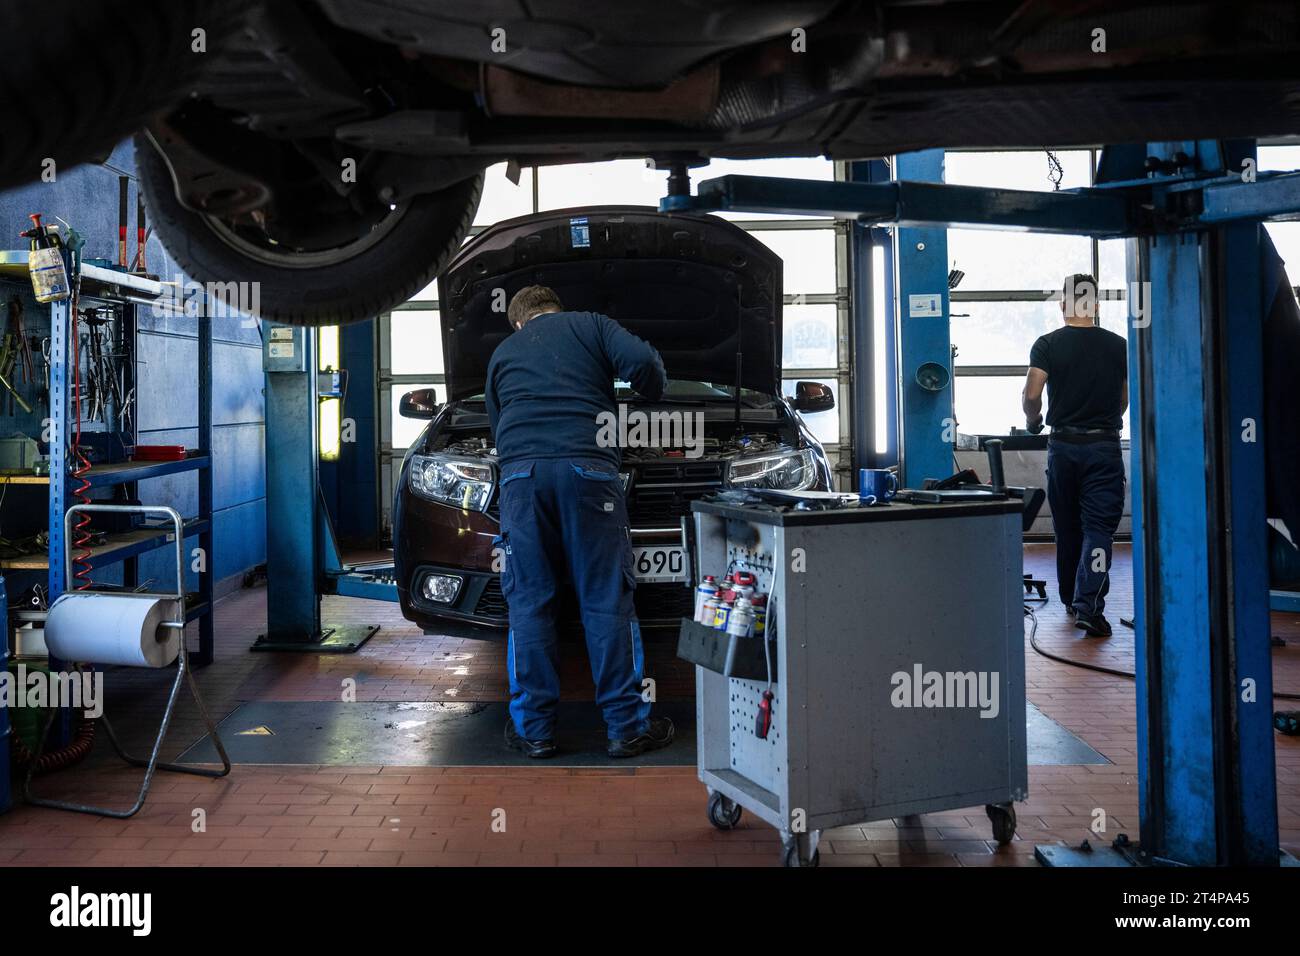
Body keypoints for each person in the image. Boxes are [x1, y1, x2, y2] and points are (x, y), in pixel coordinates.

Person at [486, 284, 673, 758]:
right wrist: (649, 394)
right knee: (606, 600)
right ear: (556, 308)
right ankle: (626, 727)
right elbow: (646, 366)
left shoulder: (504, 352)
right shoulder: (591, 324)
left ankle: (535, 732)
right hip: (589, 475)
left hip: (521, 481)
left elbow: (497, 425)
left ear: (520, 321)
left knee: (529, 604)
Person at [1022, 273, 1128, 637]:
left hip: (1063, 447)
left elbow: (1033, 393)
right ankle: (1088, 606)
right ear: (1096, 305)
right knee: (1098, 530)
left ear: (1063, 305)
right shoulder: (1119, 346)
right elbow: (1124, 399)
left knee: (1066, 528)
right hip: (1104, 447)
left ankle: (1070, 600)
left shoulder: (1047, 344)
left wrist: (1033, 419)